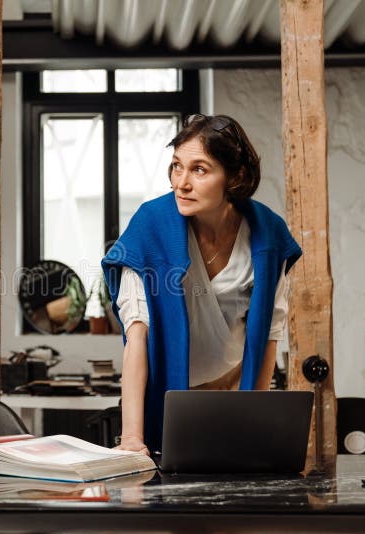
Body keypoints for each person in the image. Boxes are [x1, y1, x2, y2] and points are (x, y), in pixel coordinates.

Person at [101, 114, 302, 456]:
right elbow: (137, 333)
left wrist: (254, 413)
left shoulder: (267, 234)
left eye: (200, 169)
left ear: (235, 177)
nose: (181, 183)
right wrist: (132, 437)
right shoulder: (150, 227)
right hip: (167, 397)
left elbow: (269, 333)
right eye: (177, 166)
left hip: (232, 394)